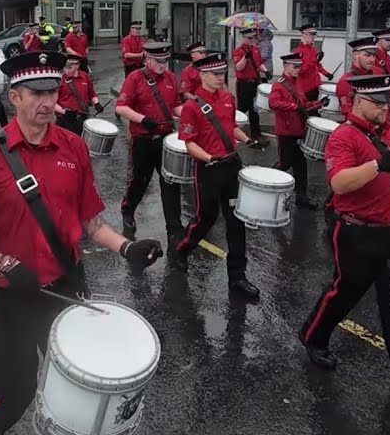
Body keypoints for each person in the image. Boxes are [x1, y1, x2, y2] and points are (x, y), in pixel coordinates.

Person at [0, 51, 164, 435]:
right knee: (14, 393)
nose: (47, 102)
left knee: (76, 393)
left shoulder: (73, 146)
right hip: (11, 296)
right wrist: (0, 263)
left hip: (66, 287)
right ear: (14, 97)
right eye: (36, 93)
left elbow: (90, 223)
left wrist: (127, 248)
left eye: (52, 92)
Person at [297, 73, 390, 407]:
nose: (386, 109)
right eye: (380, 104)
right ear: (361, 102)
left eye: (388, 102)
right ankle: (313, 337)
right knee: (345, 292)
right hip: (356, 231)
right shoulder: (343, 137)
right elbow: (339, 183)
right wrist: (377, 165)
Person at [171, 52, 266, 300]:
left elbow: (231, 127)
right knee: (206, 218)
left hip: (231, 166)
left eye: (222, 72)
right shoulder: (192, 107)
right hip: (208, 170)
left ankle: (238, 277)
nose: (220, 77)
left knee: (236, 222)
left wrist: (248, 140)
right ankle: (182, 250)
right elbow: (189, 143)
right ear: (202, 75)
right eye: (215, 73)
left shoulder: (227, 98)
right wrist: (209, 158)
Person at [116, 41, 185, 241]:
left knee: (170, 183)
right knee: (139, 180)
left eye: (165, 60)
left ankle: (174, 227)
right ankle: (128, 212)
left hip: (165, 139)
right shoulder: (135, 78)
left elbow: (176, 106)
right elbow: (121, 107)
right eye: (158, 61)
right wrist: (143, 119)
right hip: (143, 139)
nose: (162, 65)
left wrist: (190, 115)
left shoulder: (171, 77)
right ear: (146, 58)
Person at [269, 52, 326, 209]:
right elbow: (273, 103)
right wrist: (294, 107)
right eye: (295, 66)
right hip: (286, 133)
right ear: (286, 66)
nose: (298, 70)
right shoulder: (279, 85)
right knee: (284, 163)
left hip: (300, 130)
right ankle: (268, 185)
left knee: (301, 166)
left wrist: (319, 103)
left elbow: (304, 104)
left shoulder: (297, 82)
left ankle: (302, 197)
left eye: (299, 66)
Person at [233, 28, 268, 141]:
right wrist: (245, 58)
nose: (252, 40)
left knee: (255, 110)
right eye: (249, 38)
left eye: (253, 37)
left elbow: (259, 64)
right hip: (244, 84)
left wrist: (266, 71)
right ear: (243, 38)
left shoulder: (256, 49)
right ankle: (234, 132)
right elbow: (238, 67)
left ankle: (256, 134)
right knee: (241, 109)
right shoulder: (238, 50)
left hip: (254, 82)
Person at [55, 52, 101, 136]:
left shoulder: (85, 77)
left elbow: (92, 94)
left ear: (77, 66)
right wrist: (64, 111)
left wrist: (96, 103)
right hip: (65, 119)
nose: (67, 70)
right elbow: (52, 103)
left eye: (70, 68)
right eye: (65, 67)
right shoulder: (59, 79)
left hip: (82, 118)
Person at [296, 23, 333, 102]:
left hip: (316, 85)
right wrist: (315, 60)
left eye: (314, 35)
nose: (313, 37)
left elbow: (317, 65)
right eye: (311, 34)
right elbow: (300, 71)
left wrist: (326, 73)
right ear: (303, 35)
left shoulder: (313, 49)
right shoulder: (298, 52)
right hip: (305, 88)